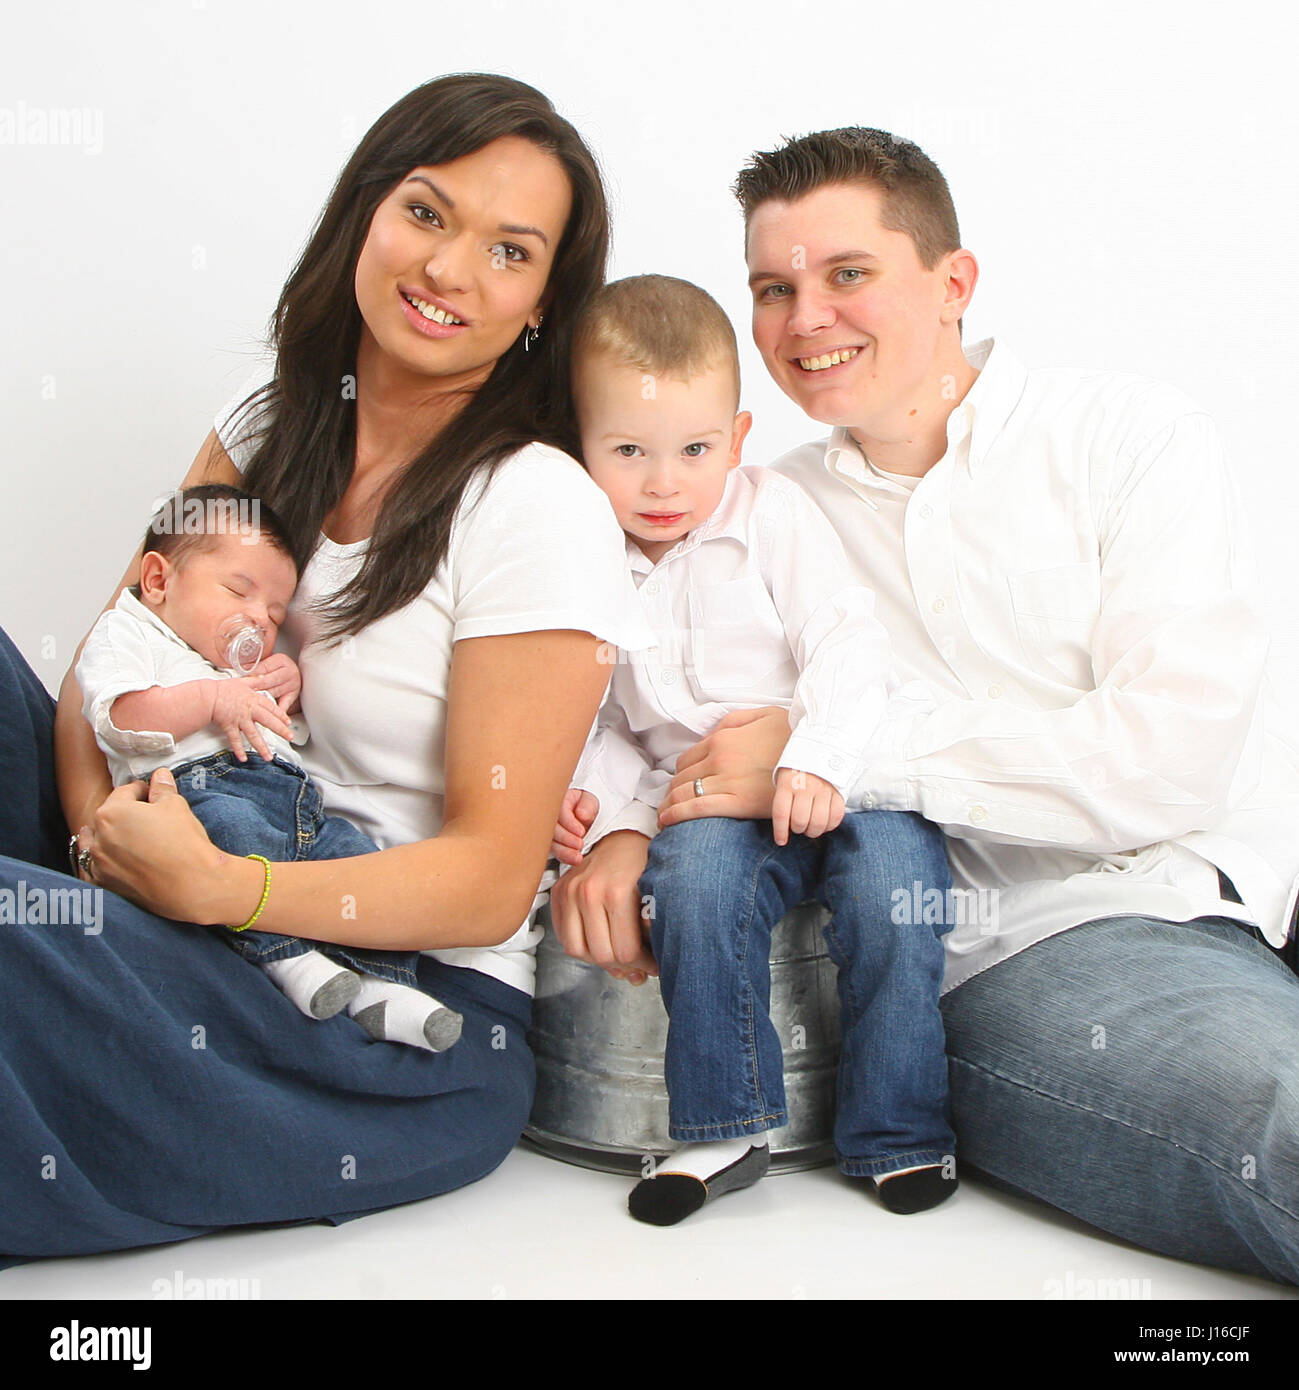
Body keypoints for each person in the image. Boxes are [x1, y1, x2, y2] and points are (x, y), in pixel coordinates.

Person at [551, 128, 1299, 1285]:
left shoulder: (1126, 435)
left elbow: (1171, 758)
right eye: (773, 288)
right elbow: (647, 686)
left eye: (847, 274)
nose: (806, 319)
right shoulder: (745, 510)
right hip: (1048, 939)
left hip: (1253, 872)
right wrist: (631, 822)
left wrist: (836, 753)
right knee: (1281, 1125)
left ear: (954, 283)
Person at [0, 72, 651, 1267]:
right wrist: (109, 852)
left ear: (541, 310)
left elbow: (486, 883)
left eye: (508, 251)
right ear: (365, 208)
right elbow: (114, 663)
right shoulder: (267, 422)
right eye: (426, 212)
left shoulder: (533, 504)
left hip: (386, 1010)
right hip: (180, 862)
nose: (450, 270)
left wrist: (220, 894)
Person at [550, 275, 957, 1225]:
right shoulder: (582, 562)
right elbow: (596, 721)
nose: (663, 483)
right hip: (708, 806)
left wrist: (817, 757)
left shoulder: (768, 512)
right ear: (579, 448)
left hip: (840, 773)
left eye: (693, 450)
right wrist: (616, 820)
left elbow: (845, 642)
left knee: (894, 892)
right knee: (690, 887)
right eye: (627, 452)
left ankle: (898, 1130)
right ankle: (724, 1126)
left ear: (734, 440)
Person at [75, 483, 464, 1050]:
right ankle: (291, 963)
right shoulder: (130, 633)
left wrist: (291, 693)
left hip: (296, 801)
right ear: (158, 581)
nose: (257, 619)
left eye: (274, 611)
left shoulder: (235, 666)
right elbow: (119, 716)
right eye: (238, 591)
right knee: (237, 836)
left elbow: (286, 733)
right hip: (197, 794)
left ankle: (385, 988)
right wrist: (211, 699)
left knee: (357, 861)